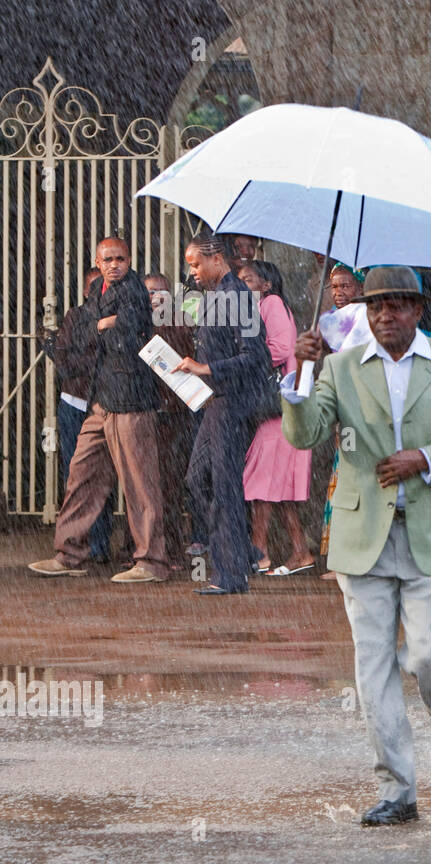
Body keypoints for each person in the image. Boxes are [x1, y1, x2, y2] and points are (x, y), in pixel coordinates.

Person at [282, 265, 431, 825]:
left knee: (428, 655)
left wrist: (426, 459)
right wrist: (300, 374)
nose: (385, 315)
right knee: (373, 665)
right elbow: (305, 435)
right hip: (364, 536)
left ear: (418, 310)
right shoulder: (338, 367)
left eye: (397, 305)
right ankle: (398, 789)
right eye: (376, 306)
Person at [29, 238, 167, 584]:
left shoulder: (135, 290)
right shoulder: (97, 294)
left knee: (139, 482)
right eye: (108, 259)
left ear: (129, 259)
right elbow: (78, 340)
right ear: (97, 261)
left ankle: (151, 561)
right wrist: (102, 326)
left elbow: (127, 336)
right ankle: (69, 553)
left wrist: (104, 328)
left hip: (131, 399)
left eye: (120, 258)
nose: (115, 264)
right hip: (101, 398)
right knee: (82, 473)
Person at [172, 231, 271, 595]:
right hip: (215, 402)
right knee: (198, 479)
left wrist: (206, 368)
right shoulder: (216, 295)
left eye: (196, 264)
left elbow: (255, 356)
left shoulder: (238, 297)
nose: (193, 272)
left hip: (232, 402)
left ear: (217, 259)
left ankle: (230, 574)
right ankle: (243, 553)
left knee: (224, 485)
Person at [237, 260, 314, 575]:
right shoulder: (262, 306)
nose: (243, 285)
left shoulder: (271, 303)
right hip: (279, 407)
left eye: (249, 279)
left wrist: (244, 360)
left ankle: (261, 552)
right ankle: (300, 552)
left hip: (279, 405)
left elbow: (282, 349)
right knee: (276, 488)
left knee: (260, 483)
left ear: (266, 284)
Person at [45, 265, 113, 563]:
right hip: (75, 403)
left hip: (105, 404)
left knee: (103, 477)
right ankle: (77, 543)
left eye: (104, 285)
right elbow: (64, 363)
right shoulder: (76, 316)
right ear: (86, 291)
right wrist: (97, 361)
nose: (99, 290)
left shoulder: (116, 318)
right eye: (94, 286)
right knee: (75, 476)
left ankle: (99, 544)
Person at [145, 272, 200, 572]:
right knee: (144, 484)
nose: (154, 298)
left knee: (169, 485)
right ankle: (143, 547)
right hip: (146, 410)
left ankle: (172, 551)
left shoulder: (180, 322)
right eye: (149, 292)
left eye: (160, 292)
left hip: (174, 412)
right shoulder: (139, 322)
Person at [319, 264, 366, 580]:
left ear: (360, 289)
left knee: (354, 484)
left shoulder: (365, 318)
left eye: (346, 286)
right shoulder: (334, 321)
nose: (339, 292)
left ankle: (351, 558)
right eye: (334, 287)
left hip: (364, 412)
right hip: (346, 411)